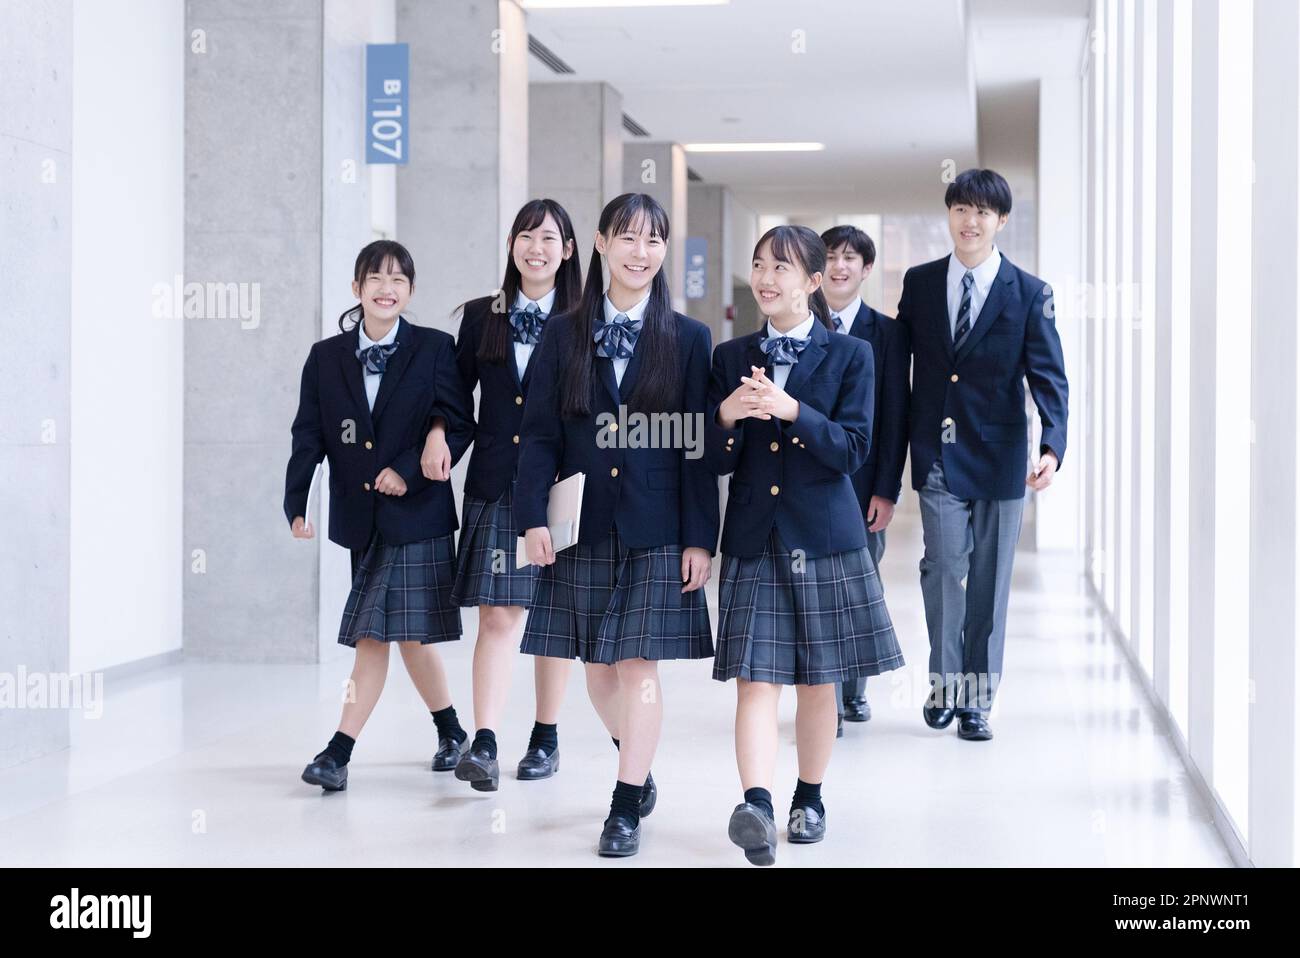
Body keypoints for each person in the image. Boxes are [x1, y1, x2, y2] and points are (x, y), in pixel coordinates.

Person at [515, 192, 718, 858]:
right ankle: (638, 756)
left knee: (639, 667)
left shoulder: (689, 339)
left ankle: (624, 806)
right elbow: (538, 436)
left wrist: (699, 538)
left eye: (654, 241)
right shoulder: (562, 331)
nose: (640, 253)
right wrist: (529, 519)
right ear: (599, 244)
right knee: (597, 671)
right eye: (627, 238)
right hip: (582, 525)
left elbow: (694, 447)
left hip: (657, 525)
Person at [706, 225, 903, 866]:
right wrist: (729, 416)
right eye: (759, 263)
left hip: (825, 539)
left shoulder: (852, 357)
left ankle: (809, 799)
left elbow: (852, 449)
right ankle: (756, 805)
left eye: (782, 268)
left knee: (819, 683)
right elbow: (709, 458)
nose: (766, 277)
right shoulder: (730, 355)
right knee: (754, 681)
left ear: (813, 282)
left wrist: (792, 411)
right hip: (753, 539)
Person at [285, 240, 475, 791]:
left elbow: (458, 422)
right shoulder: (325, 358)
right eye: (376, 277)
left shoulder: (436, 349)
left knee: (371, 635)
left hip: (417, 514)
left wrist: (409, 470)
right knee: (412, 638)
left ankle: (337, 752)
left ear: (410, 292)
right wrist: (297, 501)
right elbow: (309, 434)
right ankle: (452, 732)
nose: (386, 287)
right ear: (356, 288)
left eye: (398, 279)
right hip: (360, 517)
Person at [896, 168, 1068, 741]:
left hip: (999, 457)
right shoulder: (919, 285)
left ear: (1002, 222)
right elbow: (901, 373)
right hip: (938, 454)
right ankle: (946, 684)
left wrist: (1052, 445)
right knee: (944, 568)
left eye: (983, 213)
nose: (970, 221)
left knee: (990, 580)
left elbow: (1049, 378)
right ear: (948, 216)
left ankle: (976, 700)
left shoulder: (1030, 293)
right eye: (961, 209)